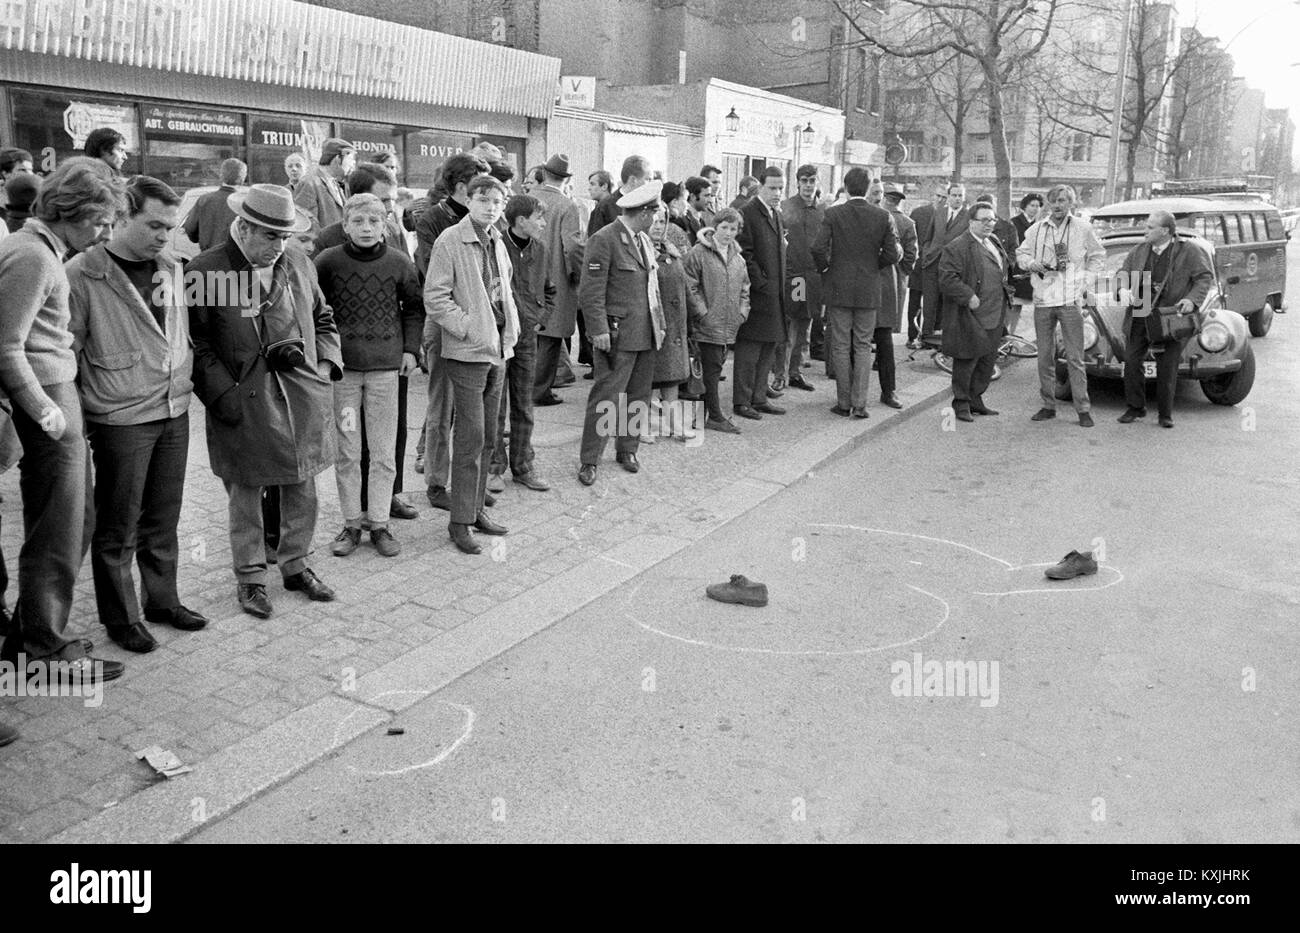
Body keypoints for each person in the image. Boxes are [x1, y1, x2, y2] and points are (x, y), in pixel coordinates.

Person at [187, 184, 343, 618]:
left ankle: (296, 565)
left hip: (300, 393)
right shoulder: (207, 270)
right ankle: (251, 577)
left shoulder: (297, 261)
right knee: (246, 490)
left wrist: (326, 365)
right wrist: (224, 396)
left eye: (285, 236)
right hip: (243, 398)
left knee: (302, 483)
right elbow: (197, 344)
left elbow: (324, 317)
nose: (279, 246)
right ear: (243, 226)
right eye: (270, 236)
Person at [66, 175, 206, 654]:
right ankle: (120, 618)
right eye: (153, 225)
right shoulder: (82, 274)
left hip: (173, 408)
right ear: (121, 217)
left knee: (163, 517)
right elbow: (68, 352)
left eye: (170, 227)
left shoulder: (171, 266)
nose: (163, 236)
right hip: (120, 417)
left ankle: (162, 601)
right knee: (118, 525)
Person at [0, 156, 125, 682]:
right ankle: (43, 650)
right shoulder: (33, 257)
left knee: (71, 519)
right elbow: (6, 346)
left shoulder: (37, 250)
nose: (106, 229)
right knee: (61, 524)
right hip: (46, 397)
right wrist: (45, 409)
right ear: (66, 209)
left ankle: (28, 636)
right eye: (99, 218)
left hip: (53, 392)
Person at [315, 193, 422, 558]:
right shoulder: (328, 262)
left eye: (374, 222)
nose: (366, 228)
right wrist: (324, 355)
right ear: (345, 225)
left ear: (385, 225)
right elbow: (315, 310)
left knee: (382, 450)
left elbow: (414, 309)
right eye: (358, 221)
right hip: (343, 375)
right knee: (347, 450)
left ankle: (379, 523)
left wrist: (411, 350)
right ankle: (351, 524)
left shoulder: (398, 262)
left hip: (385, 374)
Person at [424, 175, 519, 553]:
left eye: (497, 201)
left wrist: (509, 331)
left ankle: (476, 509)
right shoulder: (451, 239)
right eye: (483, 200)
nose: (491, 207)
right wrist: (467, 329)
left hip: (499, 351)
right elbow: (436, 296)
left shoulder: (497, 240)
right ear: (468, 200)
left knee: (489, 438)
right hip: (468, 353)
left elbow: (503, 290)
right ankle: (459, 521)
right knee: (470, 437)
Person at [575, 182, 666, 485]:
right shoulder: (604, 240)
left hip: (645, 333)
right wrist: (597, 329)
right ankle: (590, 459)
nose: (656, 220)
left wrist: (659, 326)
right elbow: (591, 290)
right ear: (643, 213)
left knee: (637, 397)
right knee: (607, 398)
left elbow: (651, 289)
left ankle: (627, 449)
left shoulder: (643, 241)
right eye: (654, 213)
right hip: (616, 335)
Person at [416, 153, 492, 513]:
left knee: (475, 415)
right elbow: (433, 274)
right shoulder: (433, 221)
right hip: (449, 328)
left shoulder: (488, 222)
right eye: (480, 190)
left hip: (483, 334)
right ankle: (436, 482)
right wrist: (466, 323)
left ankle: (470, 485)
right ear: (463, 188)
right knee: (441, 408)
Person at [811, 168, 901, 418]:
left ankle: (843, 402)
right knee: (863, 345)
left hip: (839, 288)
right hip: (869, 290)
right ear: (868, 186)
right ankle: (860, 404)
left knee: (840, 345)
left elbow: (818, 248)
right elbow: (892, 254)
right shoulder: (883, 216)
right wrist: (873, 266)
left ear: (846, 187)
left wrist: (828, 269)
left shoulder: (833, 213)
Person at [1016, 183, 1105, 427]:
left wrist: (1085, 281)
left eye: (1063, 200)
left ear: (1071, 203)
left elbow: (1098, 256)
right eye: (1053, 200)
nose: (1057, 205)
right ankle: (1048, 405)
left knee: (1075, 357)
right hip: (1044, 299)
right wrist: (1031, 263)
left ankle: (1083, 409)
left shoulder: (1083, 228)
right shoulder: (1035, 229)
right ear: (1048, 203)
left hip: (1069, 299)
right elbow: (1020, 254)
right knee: (1045, 356)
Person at [1115, 211, 1213, 428]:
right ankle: (1135, 407)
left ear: (1165, 231)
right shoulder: (1138, 250)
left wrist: (1191, 300)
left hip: (1171, 316)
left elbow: (1204, 277)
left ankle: (1164, 414)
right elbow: (1122, 274)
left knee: (1168, 366)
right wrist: (1122, 289)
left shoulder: (1189, 250)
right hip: (1140, 311)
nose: (1145, 231)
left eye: (1150, 228)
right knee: (1131, 361)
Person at [491, 193, 554, 492]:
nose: (543, 223)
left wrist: (542, 316)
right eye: (538, 218)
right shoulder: (496, 245)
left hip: (527, 336)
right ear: (520, 221)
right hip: (499, 337)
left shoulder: (541, 249)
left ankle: (523, 466)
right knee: (496, 404)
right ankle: (494, 468)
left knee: (524, 403)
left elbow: (550, 289)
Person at [938, 202, 1012, 423]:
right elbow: (947, 278)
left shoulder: (993, 242)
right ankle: (960, 403)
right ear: (971, 222)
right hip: (971, 314)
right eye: (984, 220)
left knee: (987, 359)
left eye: (992, 219)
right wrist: (968, 295)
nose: (990, 224)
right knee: (967, 359)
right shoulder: (958, 246)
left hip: (994, 311)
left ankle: (976, 399)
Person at [683, 209, 749, 434]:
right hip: (708, 323)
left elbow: (745, 288)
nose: (729, 233)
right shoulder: (699, 253)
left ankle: (700, 417)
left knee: (713, 367)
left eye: (733, 229)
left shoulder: (737, 258)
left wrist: (742, 312)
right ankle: (716, 416)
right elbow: (690, 285)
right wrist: (702, 313)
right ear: (715, 226)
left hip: (729, 323)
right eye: (724, 228)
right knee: (711, 370)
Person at [733, 167, 791, 421]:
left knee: (768, 346)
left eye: (781, 188)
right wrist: (763, 284)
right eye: (773, 188)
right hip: (757, 294)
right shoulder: (748, 213)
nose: (778, 193)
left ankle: (759, 398)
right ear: (761, 188)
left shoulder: (774, 213)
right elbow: (744, 254)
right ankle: (742, 401)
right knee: (749, 351)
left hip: (773, 293)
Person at [530, 154, 584, 408]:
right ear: (567, 179)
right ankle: (539, 390)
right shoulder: (567, 206)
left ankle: (525, 387)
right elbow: (572, 247)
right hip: (556, 278)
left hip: (527, 275)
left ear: (544, 172)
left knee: (531, 336)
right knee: (551, 339)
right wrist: (578, 275)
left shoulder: (528, 198)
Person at [649, 204, 699, 439]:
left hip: (675, 325)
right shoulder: (642, 251)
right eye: (654, 221)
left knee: (671, 378)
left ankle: (674, 425)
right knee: (646, 380)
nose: (658, 226)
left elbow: (684, 285)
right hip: (653, 323)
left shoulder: (671, 251)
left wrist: (698, 313)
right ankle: (641, 427)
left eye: (662, 221)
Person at [777, 163, 823, 392]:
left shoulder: (824, 211)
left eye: (812, 181)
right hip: (795, 277)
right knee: (790, 325)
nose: (808, 186)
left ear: (817, 182)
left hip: (814, 278)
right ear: (797, 183)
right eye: (804, 181)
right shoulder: (785, 208)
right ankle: (780, 373)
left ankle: (795, 372)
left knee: (806, 326)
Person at [879, 183, 919, 409]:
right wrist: (901, 272)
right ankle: (889, 390)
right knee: (886, 338)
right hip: (894, 283)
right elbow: (912, 255)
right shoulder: (907, 222)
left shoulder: (876, 216)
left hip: (876, 283)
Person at [920, 183, 969, 340]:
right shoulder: (939, 212)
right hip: (932, 262)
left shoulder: (968, 216)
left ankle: (947, 337)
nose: (957, 199)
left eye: (960, 195)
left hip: (953, 265)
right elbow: (929, 236)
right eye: (954, 195)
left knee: (949, 302)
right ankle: (926, 336)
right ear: (948, 197)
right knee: (929, 301)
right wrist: (927, 253)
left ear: (964, 197)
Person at [293, 137, 355, 240]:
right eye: (351, 159)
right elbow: (306, 226)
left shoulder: (335, 183)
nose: (353, 164)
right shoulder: (309, 183)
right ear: (338, 159)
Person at [183, 158, 247, 252]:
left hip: (207, 258)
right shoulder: (245, 204)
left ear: (221, 176)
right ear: (242, 179)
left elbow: (190, 229)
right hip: (235, 261)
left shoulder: (204, 200)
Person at [590, 155, 652, 238]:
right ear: (633, 180)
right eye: (648, 179)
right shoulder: (604, 207)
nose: (651, 184)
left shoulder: (648, 206)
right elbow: (595, 244)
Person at [1009, 192, 1043, 338]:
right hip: (1017, 268)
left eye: (1037, 206)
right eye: (1032, 205)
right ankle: (1006, 334)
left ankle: (1014, 334)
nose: (1035, 209)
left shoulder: (1039, 225)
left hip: (1032, 269)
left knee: (1025, 303)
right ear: (1025, 206)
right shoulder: (1014, 223)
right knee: (1014, 304)